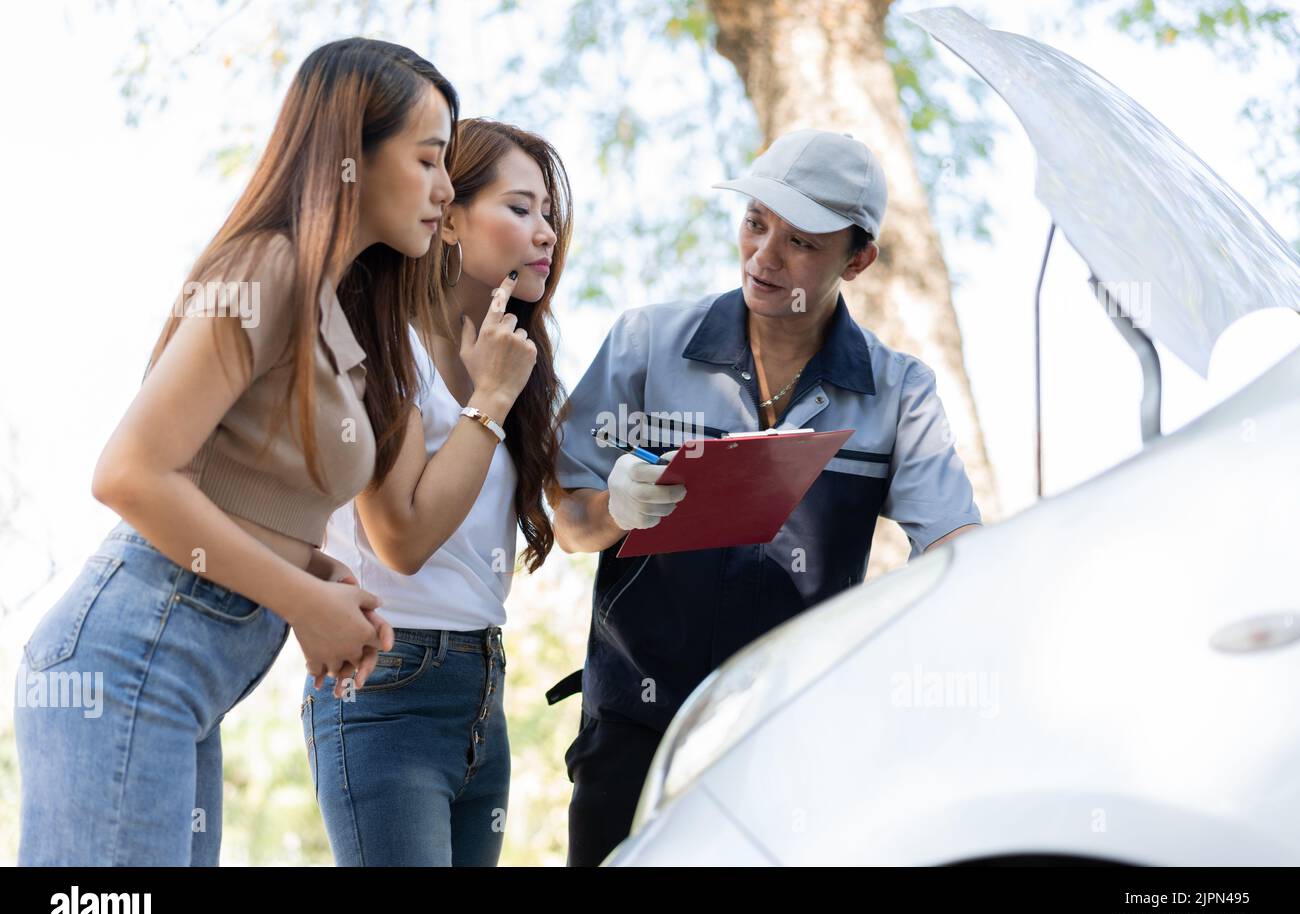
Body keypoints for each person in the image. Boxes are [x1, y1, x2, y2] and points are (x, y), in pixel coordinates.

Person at [14, 37, 460, 865]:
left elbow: (240, 490)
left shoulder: (333, 313)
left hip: (180, 684)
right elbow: (130, 474)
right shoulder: (268, 267)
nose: (445, 189)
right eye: (429, 159)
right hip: (127, 661)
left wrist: (318, 575)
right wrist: (300, 598)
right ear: (350, 156)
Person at [548, 128, 984, 866]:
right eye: (755, 222)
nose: (764, 256)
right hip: (636, 728)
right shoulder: (644, 345)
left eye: (801, 242)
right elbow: (566, 518)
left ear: (859, 258)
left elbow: (954, 551)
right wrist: (614, 508)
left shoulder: (900, 392)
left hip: (798, 739)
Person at [300, 119, 572, 866]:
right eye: (520, 209)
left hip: (481, 689)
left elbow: (574, 508)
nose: (546, 232)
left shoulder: (512, 359)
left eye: (549, 214)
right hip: (389, 686)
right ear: (449, 216)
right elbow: (403, 538)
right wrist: (489, 401)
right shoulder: (386, 342)